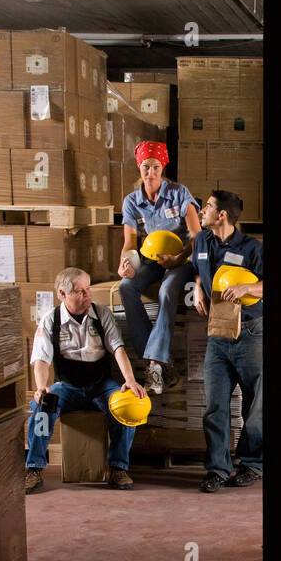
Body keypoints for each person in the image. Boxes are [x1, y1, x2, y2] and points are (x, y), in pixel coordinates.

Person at [24, 268, 147, 494]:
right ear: (63, 293)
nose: (87, 295)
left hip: (100, 385)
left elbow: (118, 349)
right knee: (42, 408)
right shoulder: (51, 320)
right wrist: (42, 387)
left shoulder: (101, 315)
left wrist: (130, 380)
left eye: (88, 288)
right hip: (68, 387)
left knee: (127, 407)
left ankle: (118, 468)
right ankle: (34, 468)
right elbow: (41, 360)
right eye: (80, 291)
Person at [190, 189, 264, 492]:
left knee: (255, 406)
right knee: (215, 405)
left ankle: (251, 465)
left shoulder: (252, 247)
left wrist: (246, 287)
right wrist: (197, 286)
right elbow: (198, 266)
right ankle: (218, 470)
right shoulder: (201, 241)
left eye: (207, 206)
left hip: (251, 332)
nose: (202, 210)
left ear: (222, 215)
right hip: (218, 333)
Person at [117, 140, 201, 394]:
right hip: (151, 259)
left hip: (181, 258)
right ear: (139, 168)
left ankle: (154, 364)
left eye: (155, 167)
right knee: (126, 286)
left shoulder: (179, 193)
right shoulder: (132, 201)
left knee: (166, 292)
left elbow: (196, 235)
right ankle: (163, 362)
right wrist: (124, 264)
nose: (150, 172)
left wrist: (178, 259)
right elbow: (129, 243)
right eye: (145, 167)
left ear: (163, 166)